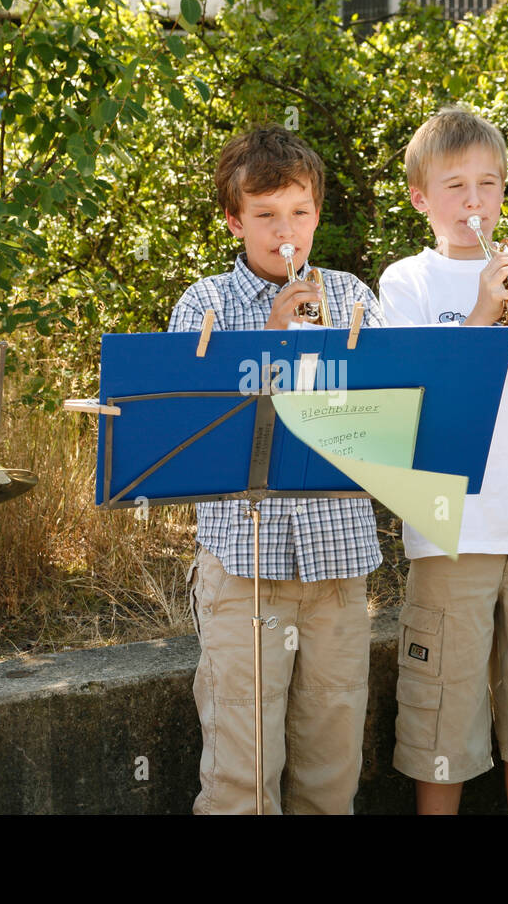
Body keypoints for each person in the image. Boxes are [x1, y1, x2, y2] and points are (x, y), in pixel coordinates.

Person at [378, 106, 508, 814]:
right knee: (444, 707)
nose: (475, 202)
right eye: (456, 186)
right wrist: (479, 314)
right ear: (420, 198)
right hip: (449, 523)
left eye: (489, 185)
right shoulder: (406, 282)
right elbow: (415, 400)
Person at [167, 126, 385, 814]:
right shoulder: (203, 304)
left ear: (318, 213)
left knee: (331, 771)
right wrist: (269, 343)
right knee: (240, 773)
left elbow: (387, 427)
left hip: (338, 566)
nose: (284, 230)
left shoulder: (353, 297)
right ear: (234, 220)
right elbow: (188, 429)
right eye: (264, 215)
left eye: (298, 212)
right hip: (244, 570)